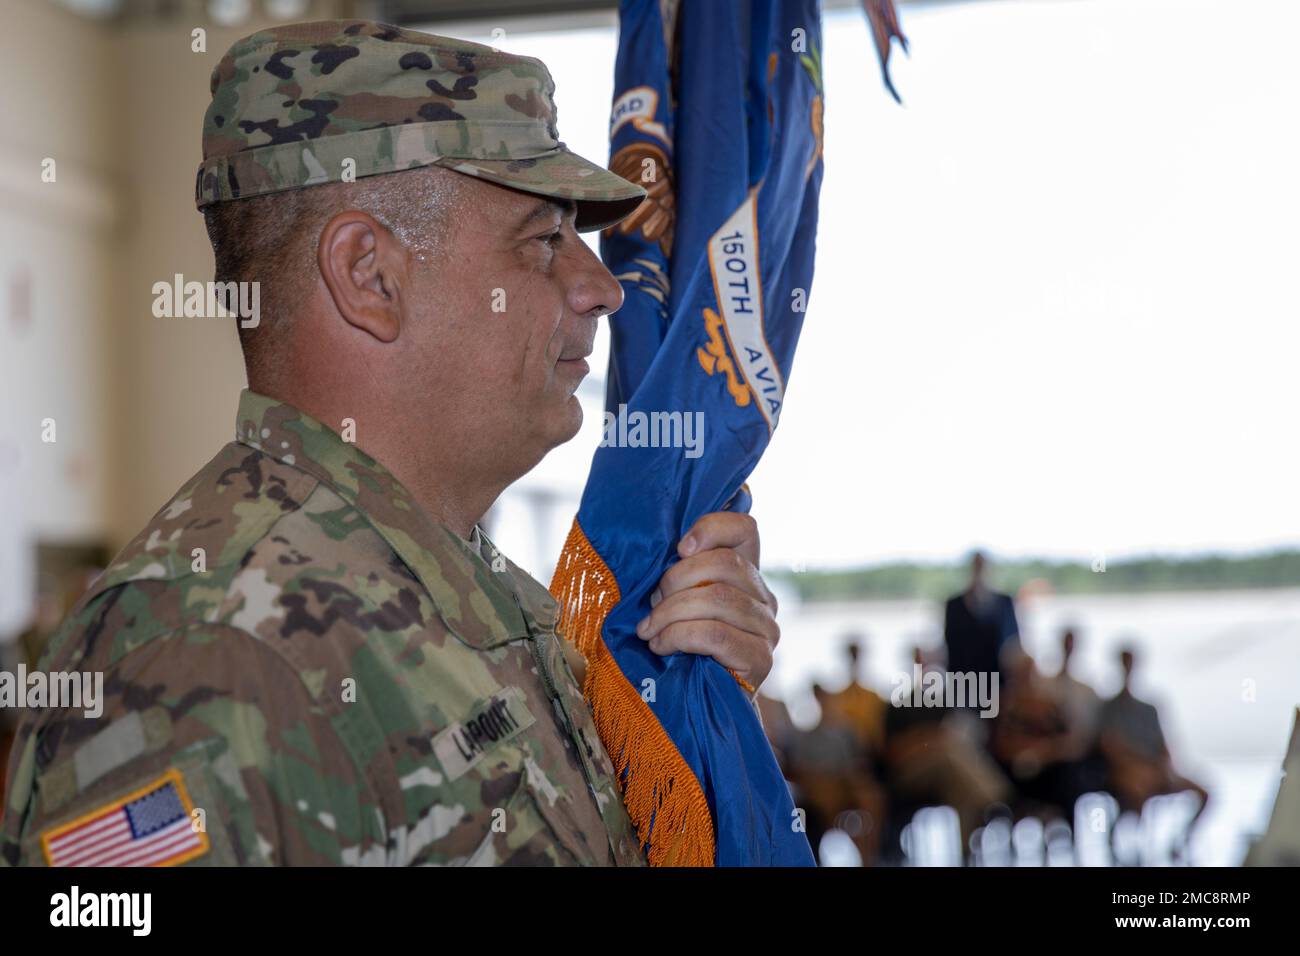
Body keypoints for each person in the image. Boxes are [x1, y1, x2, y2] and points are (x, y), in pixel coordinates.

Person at [0, 21, 783, 867]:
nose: (600, 287)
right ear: (369, 277)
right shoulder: (199, 660)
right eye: (544, 239)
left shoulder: (486, 600)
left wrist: (688, 697)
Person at [1098, 645, 1209, 842]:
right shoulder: (1109, 709)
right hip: (1130, 773)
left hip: (1156, 769)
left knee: (1203, 792)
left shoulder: (1148, 709)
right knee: (1138, 791)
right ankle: (1130, 848)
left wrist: (1164, 767)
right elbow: (1111, 748)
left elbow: (1163, 746)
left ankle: (1182, 841)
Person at [943, 550, 1020, 688]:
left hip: (999, 688)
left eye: (982, 566)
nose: (979, 570)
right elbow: (949, 647)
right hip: (963, 686)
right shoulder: (954, 606)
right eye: (976, 566)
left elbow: (1014, 644)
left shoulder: (1004, 603)